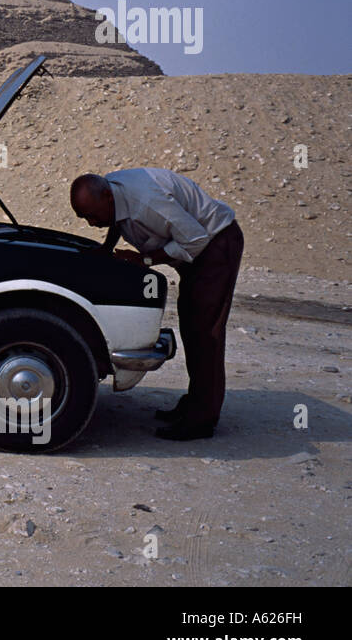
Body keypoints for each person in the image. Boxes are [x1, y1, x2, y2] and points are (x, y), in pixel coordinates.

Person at [70, 169, 244, 440]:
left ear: (107, 195)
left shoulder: (148, 202)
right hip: (193, 249)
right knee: (190, 323)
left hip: (215, 245)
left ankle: (201, 419)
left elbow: (195, 239)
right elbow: (116, 217)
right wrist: (106, 248)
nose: (91, 223)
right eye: (84, 218)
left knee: (205, 331)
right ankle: (195, 402)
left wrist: (147, 260)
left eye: (92, 215)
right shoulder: (113, 194)